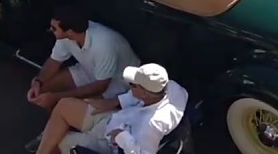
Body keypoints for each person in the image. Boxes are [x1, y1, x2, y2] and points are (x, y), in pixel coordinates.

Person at [38, 63, 187, 154]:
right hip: (114, 117)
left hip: (109, 143)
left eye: (132, 85)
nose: (129, 85)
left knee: (59, 141)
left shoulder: (150, 126)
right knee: (65, 105)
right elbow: (137, 96)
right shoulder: (172, 87)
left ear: (145, 94)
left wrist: (122, 136)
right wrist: (114, 102)